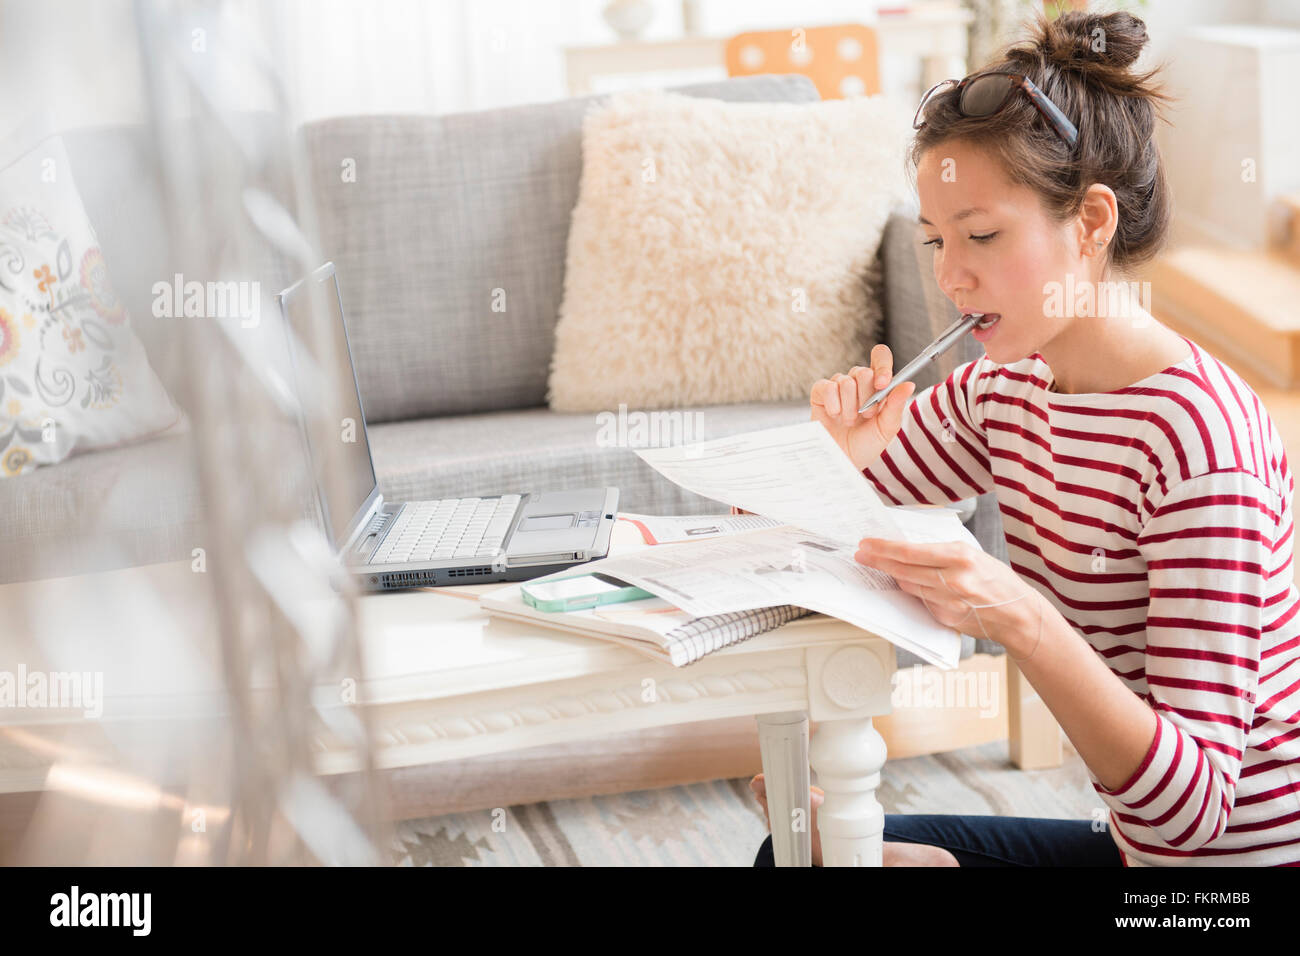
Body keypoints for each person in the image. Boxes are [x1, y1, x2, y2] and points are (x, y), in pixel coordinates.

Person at [752, 9, 1300, 867]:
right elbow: (827, 519)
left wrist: (1020, 616)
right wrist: (845, 460)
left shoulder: (1200, 444)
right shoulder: (1008, 384)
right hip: (1134, 853)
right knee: (801, 853)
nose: (949, 274)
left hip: (1223, 881)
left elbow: (1191, 812)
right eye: (938, 240)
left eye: (981, 235)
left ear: (1090, 223)